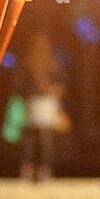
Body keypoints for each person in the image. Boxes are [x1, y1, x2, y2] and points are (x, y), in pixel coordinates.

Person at [16, 32, 68, 183]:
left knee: (45, 138)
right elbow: (20, 85)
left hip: (46, 102)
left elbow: (61, 84)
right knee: (31, 137)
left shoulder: (53, 63)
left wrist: (54, 95)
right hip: (33, 102)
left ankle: (44, 169)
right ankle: (28, 169)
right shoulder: (28, 64)